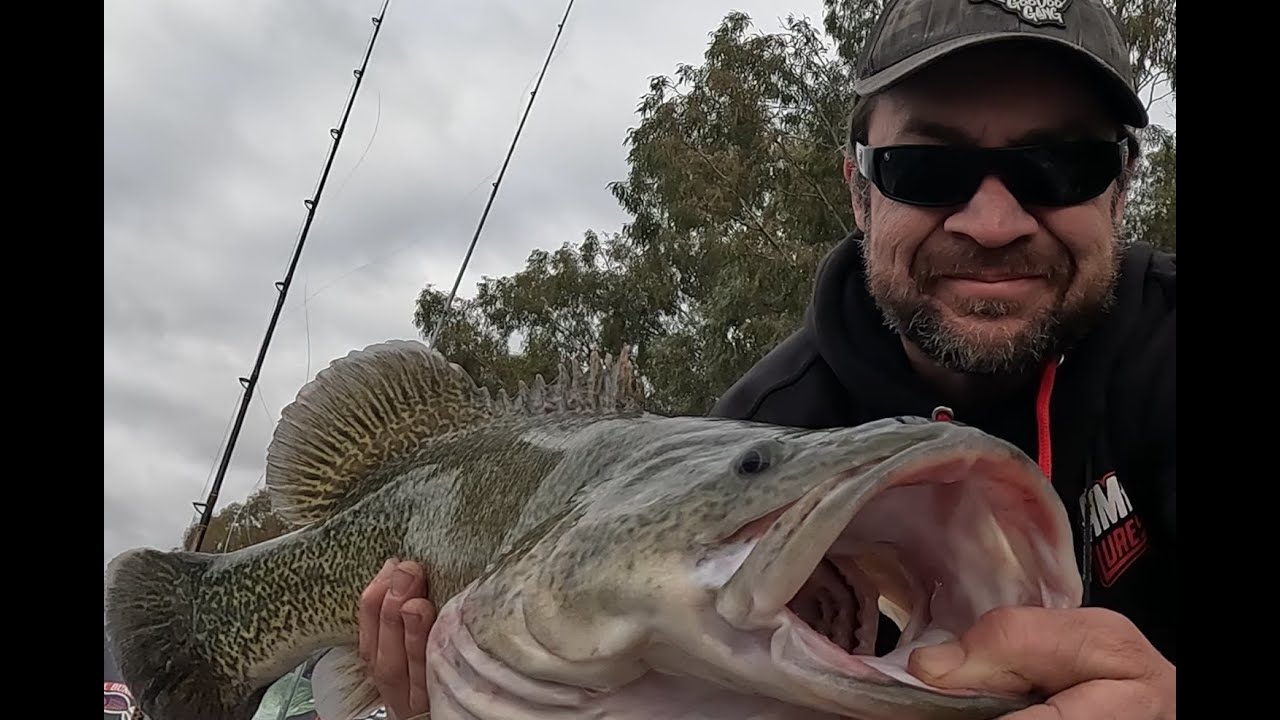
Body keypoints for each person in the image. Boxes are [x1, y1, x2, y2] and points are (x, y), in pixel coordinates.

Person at [357, 0, 1176, 717]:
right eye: (927, 169)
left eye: (1062, 166)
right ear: (859, 193)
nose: (993, 224)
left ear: (1121, 191)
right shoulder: (763, 427)